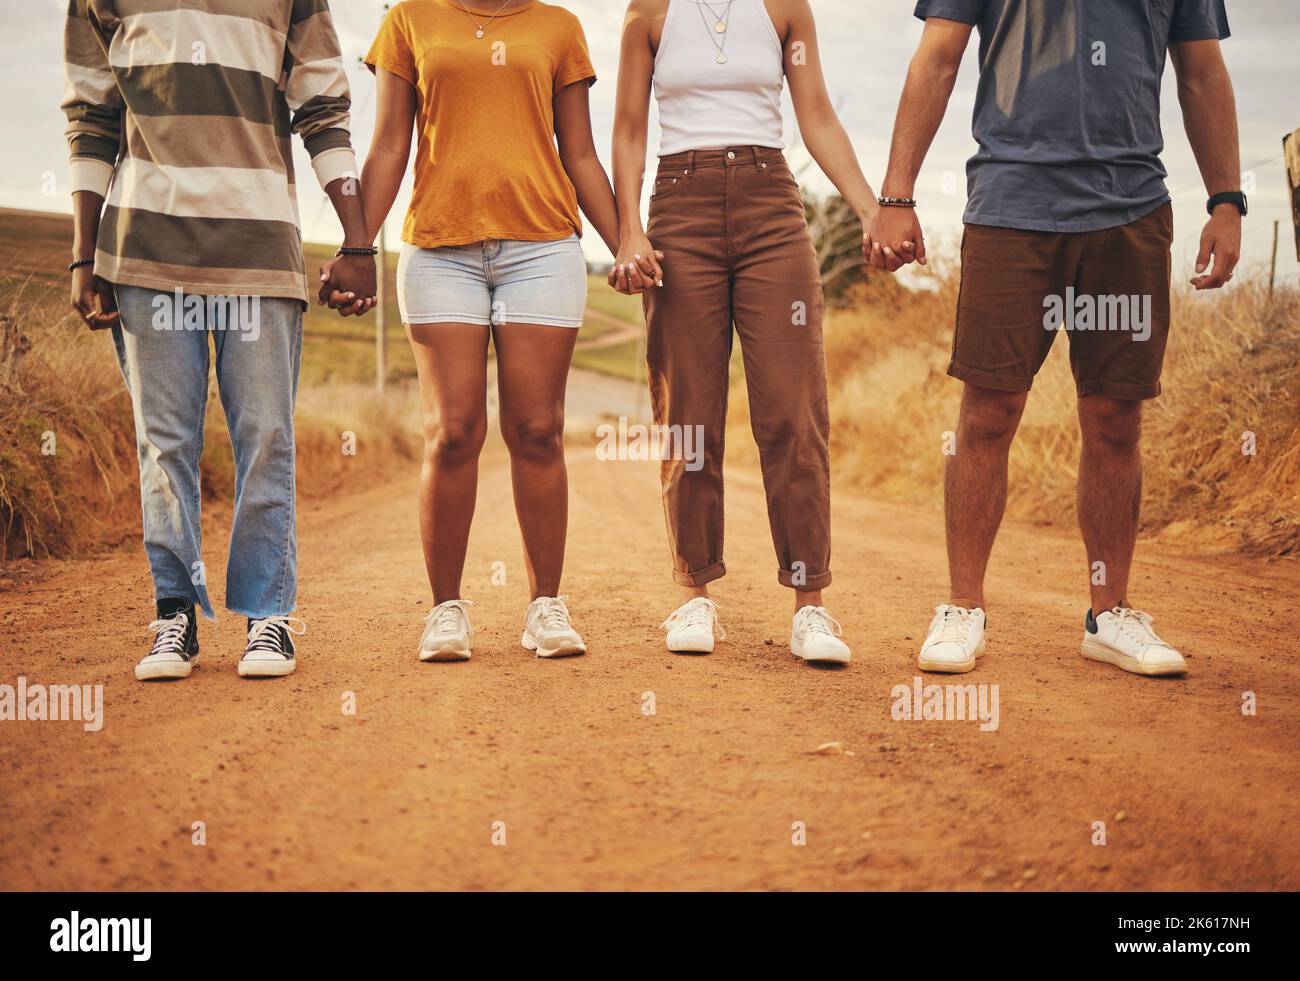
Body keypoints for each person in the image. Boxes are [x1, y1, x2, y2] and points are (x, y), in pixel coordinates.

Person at [868, 0, 1242, 676]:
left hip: (1130, 209)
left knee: (1115, 415)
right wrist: (897, 195)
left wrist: (1227, 200)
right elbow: (938, 55)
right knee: (987, 412)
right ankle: (963, 608)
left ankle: (1110, 614)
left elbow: (1202, 72)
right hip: (1012, 206)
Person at [64, 0, 377, 681]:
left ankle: (269, 616)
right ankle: (173, 612)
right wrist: (83, 255)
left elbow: (322, 106)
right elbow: (92, 118)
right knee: (164, 440)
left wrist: (358, 241)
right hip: (144, 248)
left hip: (258, 247)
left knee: (266, 433)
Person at [610, 0, 887, 665]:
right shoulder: (646, 14)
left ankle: (809, 604)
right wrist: (628, 229)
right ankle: (696, 592)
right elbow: (626, 130)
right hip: (679, 204)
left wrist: (872, 208)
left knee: (794, 410)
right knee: (690, 413)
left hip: (771, 205)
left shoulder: (786, 9)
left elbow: (815, 115)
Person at [352, 0, 625, 661]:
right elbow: (390, 143)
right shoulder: (411, 20)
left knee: (537, 429)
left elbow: (580, 151)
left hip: (542, 248)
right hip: (439, 249)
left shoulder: (559, 28)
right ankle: (446, 611)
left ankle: (545, 607)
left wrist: (627, 243)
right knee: (452, 432)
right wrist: (357, 243)